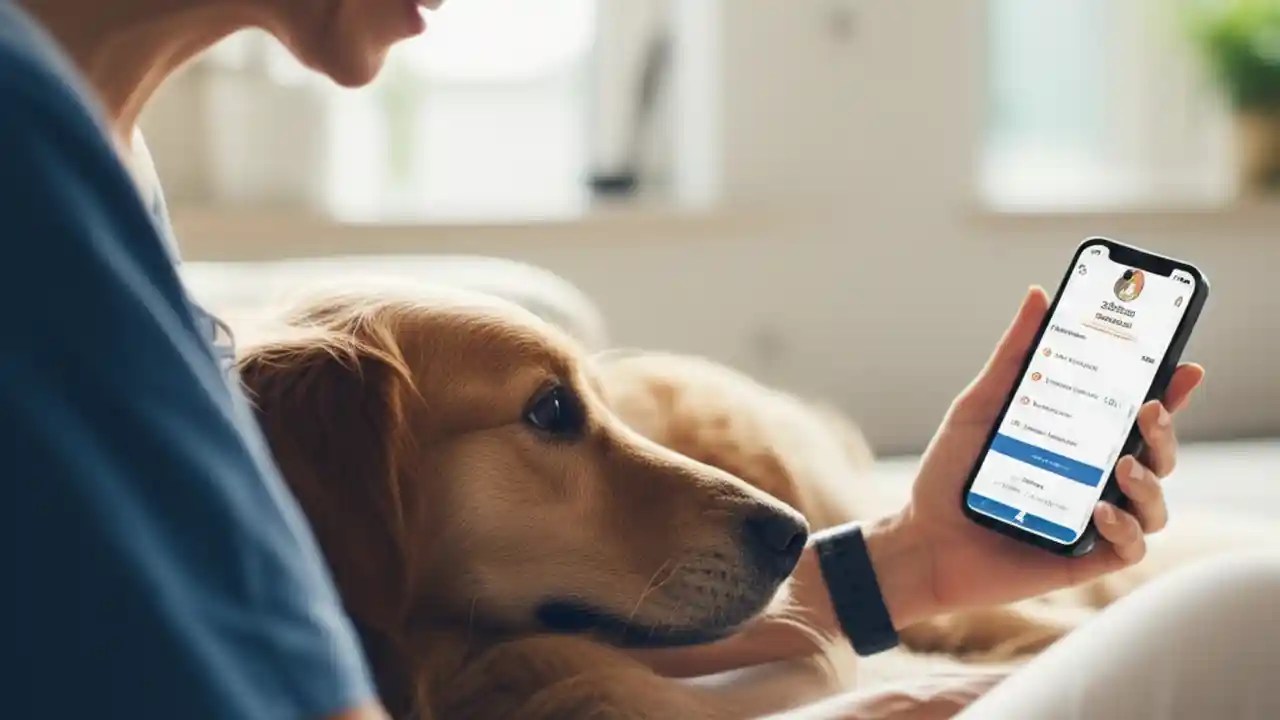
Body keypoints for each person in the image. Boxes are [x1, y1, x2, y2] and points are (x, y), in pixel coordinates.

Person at [2, 1, 1272, 718]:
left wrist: (911, 565)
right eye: (557, 416)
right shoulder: (23, 156)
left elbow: (381, 639)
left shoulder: (96, 157)